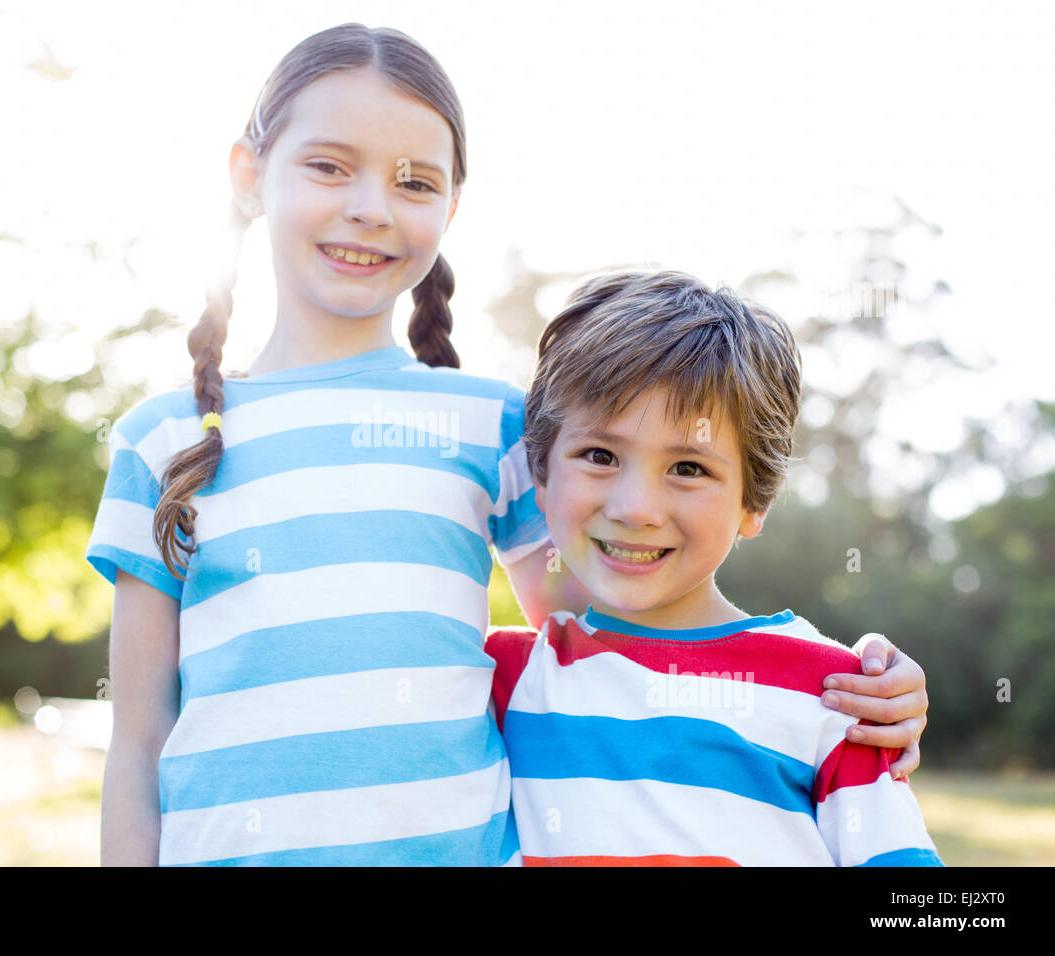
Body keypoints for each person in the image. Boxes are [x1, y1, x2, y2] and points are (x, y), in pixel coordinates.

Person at [86, 23, 929, 866]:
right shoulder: (162, 443)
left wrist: (846, 702)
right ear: (248, 175)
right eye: (329, 165)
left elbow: (603, 655)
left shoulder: (492, 424)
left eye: (414, 181)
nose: (371, 207)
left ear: (449, 209)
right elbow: (137, 744)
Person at [487, 270, 944, 865]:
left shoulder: (836, 695)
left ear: (754, 502)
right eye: (599, 455)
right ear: (541, 477)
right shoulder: (504, 679)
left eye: (688, 468)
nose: (636, 509)